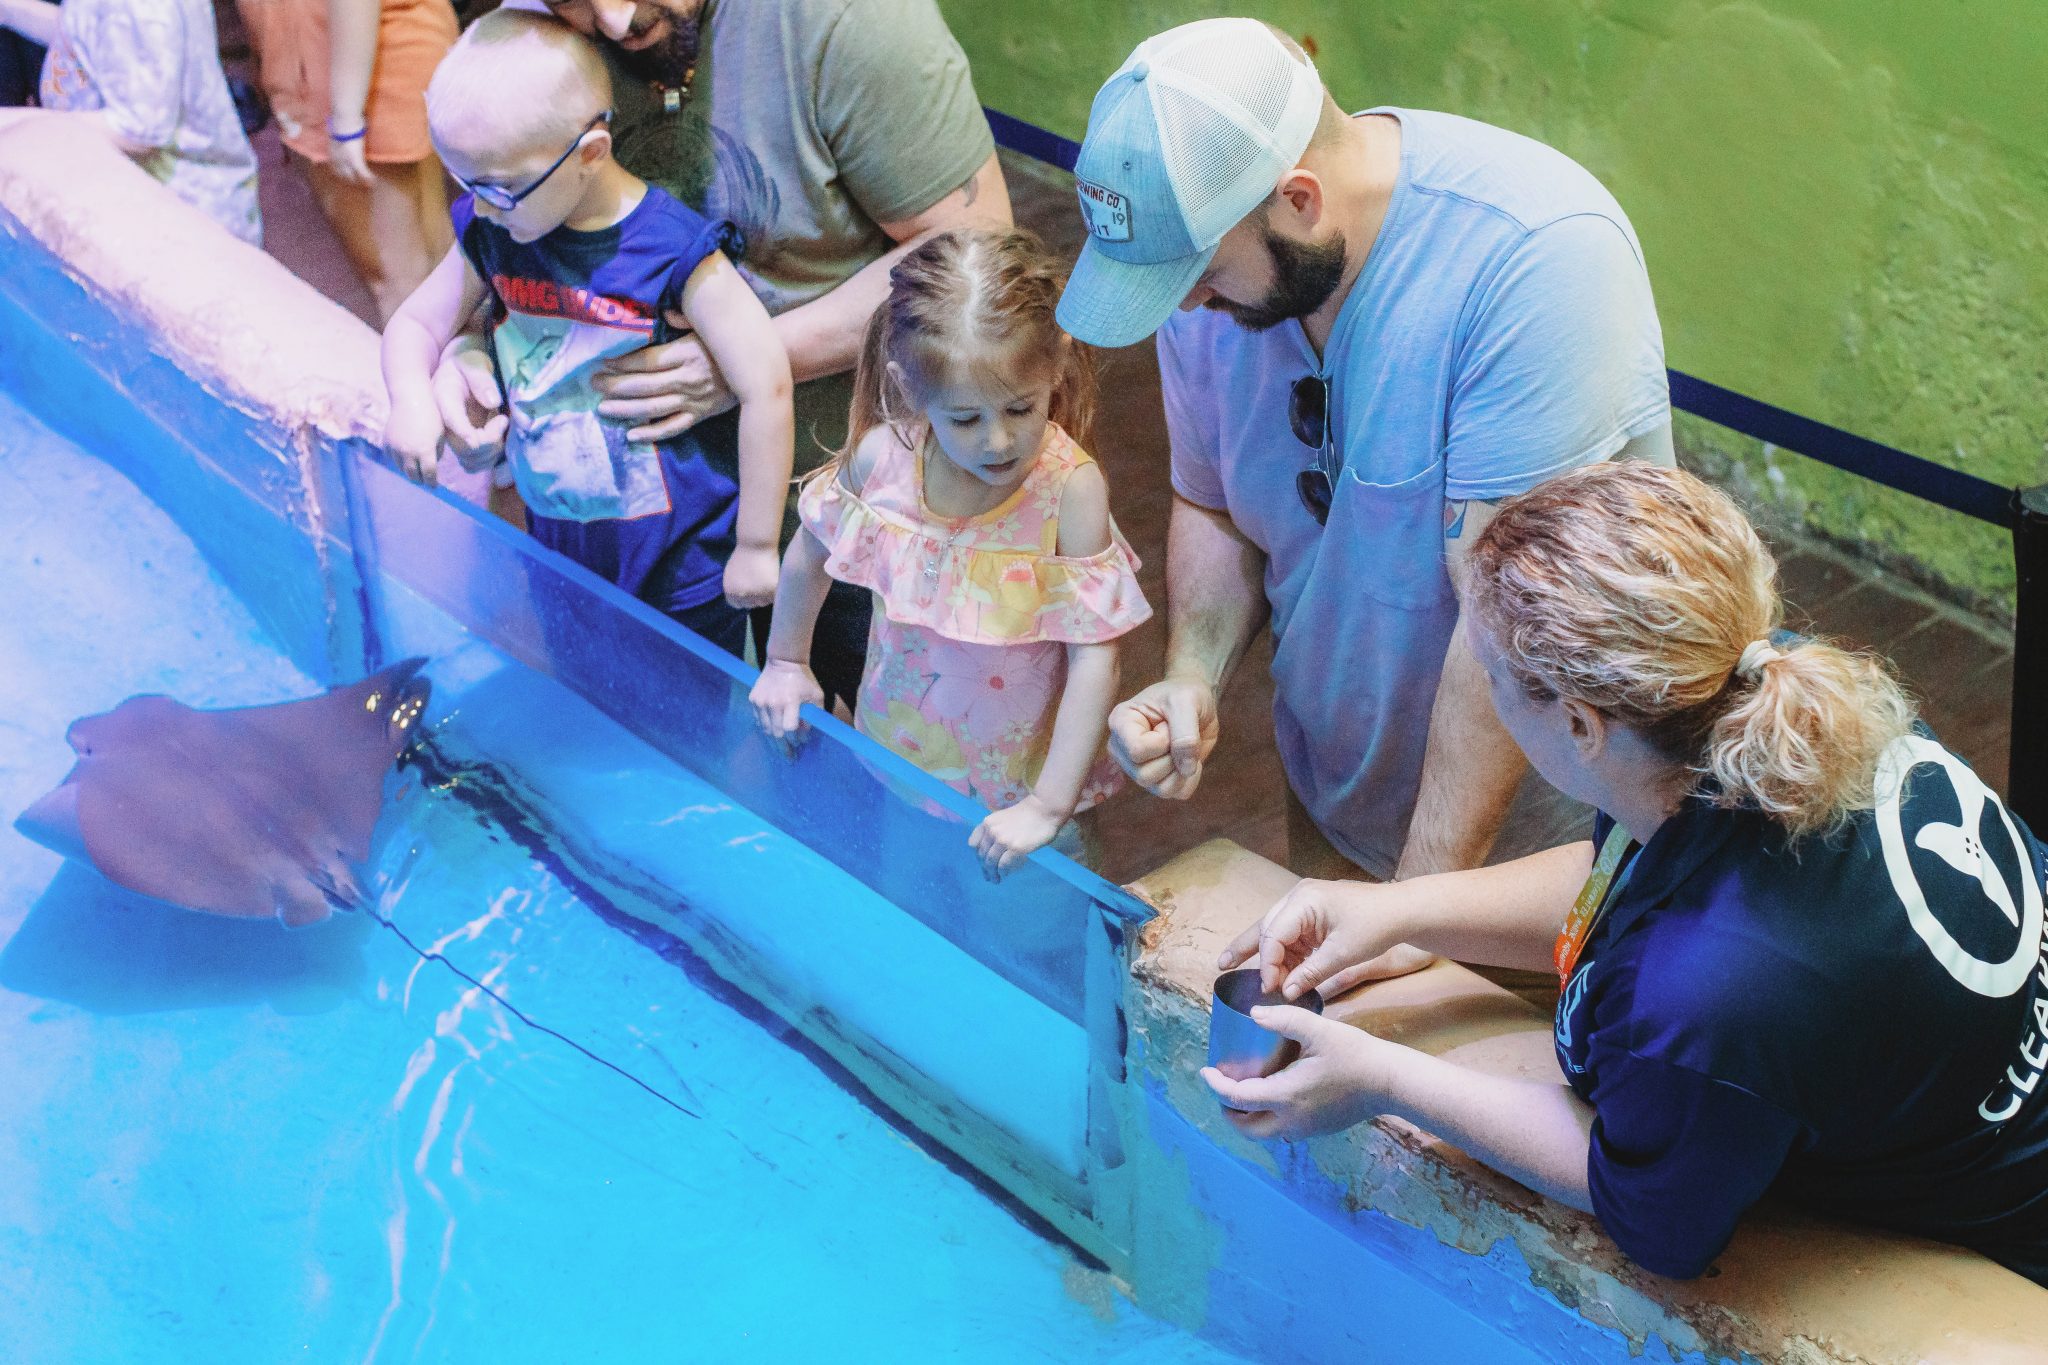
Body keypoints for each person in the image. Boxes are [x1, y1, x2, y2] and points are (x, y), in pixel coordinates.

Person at [1205, 461, 2048, 1286]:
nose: (1484, 692)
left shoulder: (1707, 995)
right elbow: (1628, 874)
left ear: (1578, 724)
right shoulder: (1749, 682)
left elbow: (1645, 1205)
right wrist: (1398, 911)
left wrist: (1382, 1080)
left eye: (1490, 677)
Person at [1056, 19, 1671, 986]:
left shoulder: (1538, 261)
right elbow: (1211, 498)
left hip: (1548, 852)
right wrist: (1192, 673)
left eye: (1202, 279)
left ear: (1298, 199)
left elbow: (1502, 628)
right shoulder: (1226, 274)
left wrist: (1409, 917)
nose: (1186, 311)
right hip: (1341, 793)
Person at [435, 0, 1013, 712]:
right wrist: (468, 347)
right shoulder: (528, 34)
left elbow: (974, 244)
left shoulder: (850, 20)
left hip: (852, 503)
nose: (615, 22)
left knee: (903, 751)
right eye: (573, 1)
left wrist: (742, 367)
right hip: (650, 538)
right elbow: (503, 244)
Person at [380, 10, 790, 654]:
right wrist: (409, 399)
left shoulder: (672, 248)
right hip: (563, 533)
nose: (480, 206)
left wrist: (758, 545)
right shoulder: (498, 228)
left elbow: (767, 381)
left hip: (680, 556)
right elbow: (415, 322)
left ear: (590, 154)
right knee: (583, 683)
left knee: (684, 719)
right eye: (466, 183)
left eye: (501, 187)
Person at [748, 229, 1150, 879]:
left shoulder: (1070, 491)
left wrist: (1047, 807)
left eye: (1020, 408)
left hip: (1025, 800)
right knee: (918, 911)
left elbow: (1095, 657)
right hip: (905, 773)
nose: (999, 440)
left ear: (1055, 364)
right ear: (910, 385)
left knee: (1034, 947)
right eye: (964, 418)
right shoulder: (883, 461)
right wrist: (787, 660)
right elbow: (806, 556)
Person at [235, 0, 457, 320]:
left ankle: (424, 367)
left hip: (353, 69)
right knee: (433, 258)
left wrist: (346, 120)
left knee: (398, 282)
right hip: (372, 53)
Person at [4, 0, 261, 242]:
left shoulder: (138, 8)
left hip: (182, 221)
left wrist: (19, 124)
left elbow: (138, 130)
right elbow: (90, 33)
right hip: (146, 201)